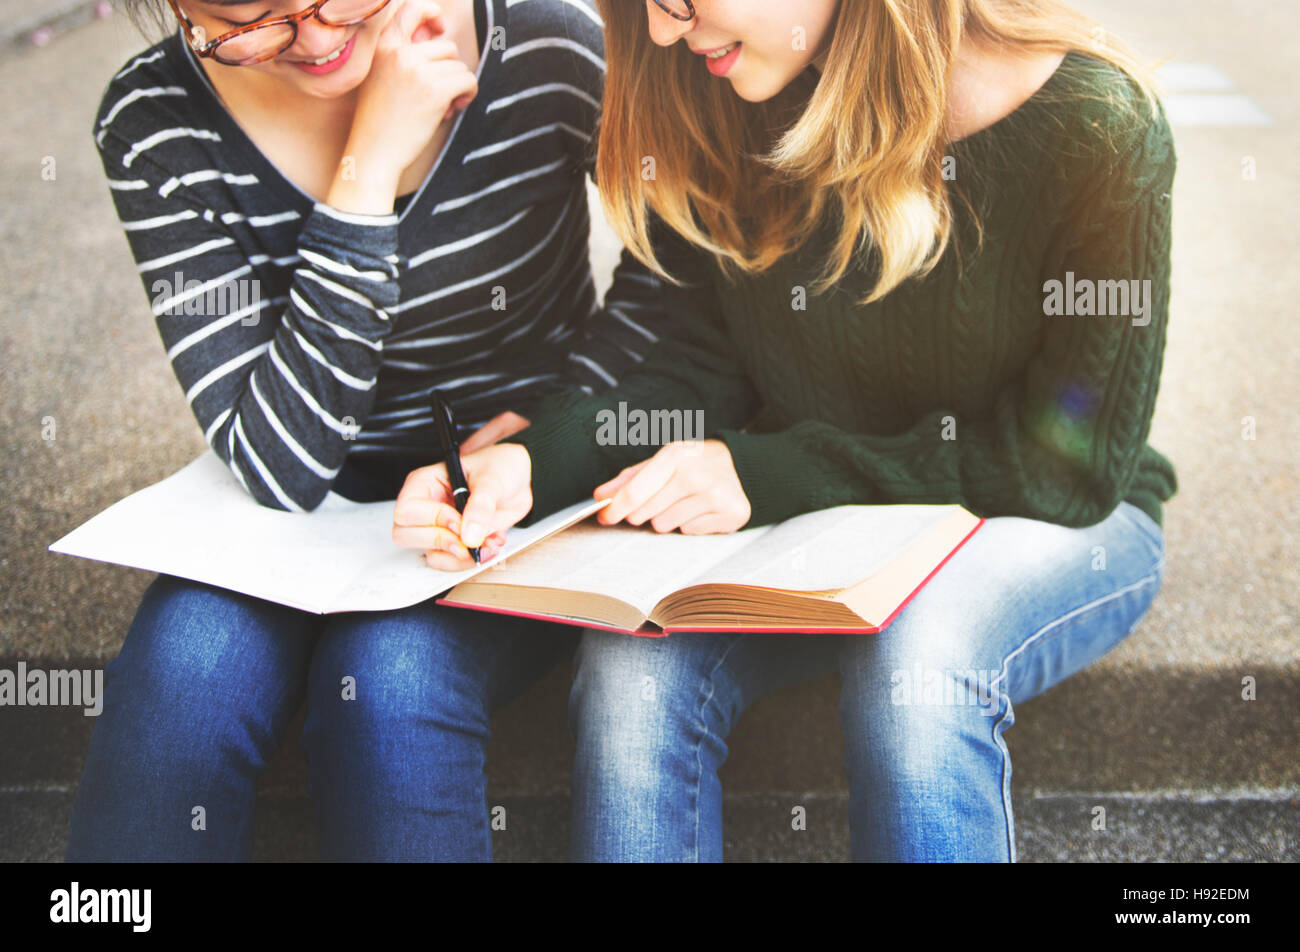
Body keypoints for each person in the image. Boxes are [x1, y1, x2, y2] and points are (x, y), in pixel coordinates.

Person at [396, 0, 1178, 861]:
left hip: (1041, 514)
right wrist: (534, 462)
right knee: (631, 669)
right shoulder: (721, 85)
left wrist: (770, 474)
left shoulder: (1097, 125)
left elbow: (1068, 464)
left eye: (679, 0)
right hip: (811, 518)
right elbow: (696, 359)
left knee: (916, 674)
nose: (660, 33)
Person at [66, 0, 672, 861]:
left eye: (333, 1)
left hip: (505, 513)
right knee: (182, 678)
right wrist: (365, 176)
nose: (312, 40)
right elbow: (280, 466)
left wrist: (564, 422)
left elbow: (681, 270)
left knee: (392, 678)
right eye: (250, 24)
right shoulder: (155, 119)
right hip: (292, 518)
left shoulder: (546, 46)